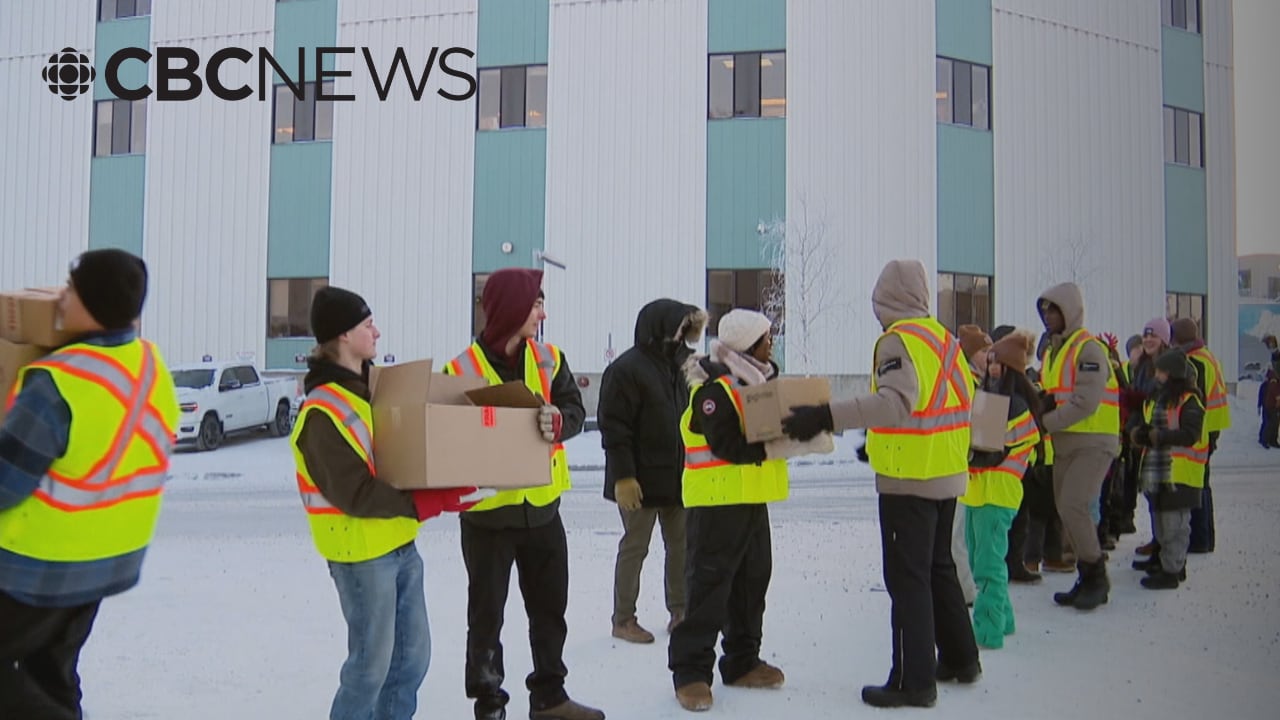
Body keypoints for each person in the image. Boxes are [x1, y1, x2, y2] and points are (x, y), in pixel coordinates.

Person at [782, 259, 980, 709]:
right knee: (938, 569)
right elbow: (948, 403)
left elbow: (895, 404)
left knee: (907, 579)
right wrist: (877, 443)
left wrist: (826, 416)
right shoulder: (943, 340)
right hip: (946, 473)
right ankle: (961, 658)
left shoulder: (898, 341)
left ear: (886, 301)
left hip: (910, 480)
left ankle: (913, 682)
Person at [0, 249, 179, 720]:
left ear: (92, 302)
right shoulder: (148, 364)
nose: (61, 296)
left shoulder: (56, 382)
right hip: (106, 564)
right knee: (52, 673)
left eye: (72, 288)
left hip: (38, 570)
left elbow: (5, 482)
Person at [292, 286, 479, 720]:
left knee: (412, 660)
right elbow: (354, 492)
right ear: (342, 335)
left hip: (399, 547)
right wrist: (423, 503)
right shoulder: (321, 411)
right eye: (366, 324)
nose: (376, 331)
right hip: (360, 556)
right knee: (369, 669)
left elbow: (400, 457)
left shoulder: (371, 391)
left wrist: (444, 480)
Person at [444, 268, 604, 720]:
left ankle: (550, 697)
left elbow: (574, 407)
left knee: (551, 611)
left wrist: (561, 421)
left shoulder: (551, 358)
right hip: (488, 519)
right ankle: (490, 705)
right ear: (513, 308)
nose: (542, 313)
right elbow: (445, 438)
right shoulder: (458, 370)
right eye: (535, 303)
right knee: (486, 619)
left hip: (543, 511)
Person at [669, 309, 825, 713]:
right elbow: (726, 443)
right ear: (746, 344)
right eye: (765, 337)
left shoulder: (759, 383)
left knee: (752, 582)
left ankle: (741, 661)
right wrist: (784, 441)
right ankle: (691, 673)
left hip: (752, 498)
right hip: (717, 502)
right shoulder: (713, 389)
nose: (771, 343)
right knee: (708, 589)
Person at [599, 300, 707, 644]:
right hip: (639, 479)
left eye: (686, 329)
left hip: (679, 475)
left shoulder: (686, 364)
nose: (682, 335)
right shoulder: (626, 369)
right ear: (659, 326)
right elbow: (615, 429)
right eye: (678, 327)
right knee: (635, 547)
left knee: (682, 545)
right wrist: (623, 477)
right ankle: (623, 618)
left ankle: (681, 610)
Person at [1035, 283, 1120, 611]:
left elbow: (1086, 402)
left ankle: (1097, 578)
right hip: (1065, 443)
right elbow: (1055, 392)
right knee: (1064, 508)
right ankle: (1087, 576)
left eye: (1053, 310)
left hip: (1093, 441)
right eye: (1044, 310)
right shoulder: (1055, 351)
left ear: (1069, 311)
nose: (1047, 316)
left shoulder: (1089, 349)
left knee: (1073, 505)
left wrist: (1047, 422)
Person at [962, 331, 1042, 649]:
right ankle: (1003, 619)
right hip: (979, 491)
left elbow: (995, 451)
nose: (991, 368)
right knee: (981, 559)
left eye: (997, 363)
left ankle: (988, 630)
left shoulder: (1015, 405)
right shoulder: (991, 399)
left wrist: (965, 451)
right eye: (989, 361)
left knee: (988, 564)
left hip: (997, 492)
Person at [1127, 349, 1206, 590]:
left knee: (1175, 524)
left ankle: (1173, 570)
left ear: (1171, 374)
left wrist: (1157, 436)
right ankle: (1167, 564)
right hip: (1159, 470)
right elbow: (1149, 424)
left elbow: (1190, 434)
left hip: (1181, 473)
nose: (1156, 374)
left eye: (1161, 370)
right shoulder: (1159, 397)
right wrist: (1140, 434)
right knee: (1161, 521)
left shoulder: (1190, 401)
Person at [1170, 318, 1228, 554]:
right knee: (1202, 481)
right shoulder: (1207, 355)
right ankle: (1205, 539)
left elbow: (1196, 397)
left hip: (1202, 428)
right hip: (1212, 424)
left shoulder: (1195, 361)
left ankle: (1200, 539)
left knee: (1198, 483)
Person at [1260, 368, 1279, 449]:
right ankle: (1266, 440)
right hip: (1272, 406)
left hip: (1272, 405)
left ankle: (1272, 441)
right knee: (1271, 424)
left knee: (1274, 424)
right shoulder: (1273, 381)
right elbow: (1275, 392)